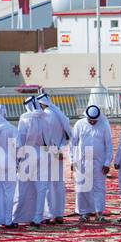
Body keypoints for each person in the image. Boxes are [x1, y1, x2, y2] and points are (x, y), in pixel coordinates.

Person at [69, 105, 112, 220]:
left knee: (99, 187)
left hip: (99, 161)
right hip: (81, 160)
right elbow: (73, 144)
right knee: (82, 186)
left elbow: (109, 144)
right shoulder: (79, 124)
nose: (92, 122)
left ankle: (99, 213)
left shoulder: (104, 124)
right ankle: (84, 213)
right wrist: (72, 160)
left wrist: (107, 162)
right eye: (90, 120)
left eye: (94, 120)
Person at [12, 95, 48, 226]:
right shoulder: (45, 118)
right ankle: (38, 217)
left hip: (28, 155)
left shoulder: (25, 118)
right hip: (44, 154)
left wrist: (17, 160)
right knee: (41, 188)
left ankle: (15, 217)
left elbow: (20, 140)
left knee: (21, 188)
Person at [39, 94, 72, 224]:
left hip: (49, 152)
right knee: (58, 184)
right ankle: (59, 214)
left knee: (47, 185)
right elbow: (66, 135)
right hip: (58, 151)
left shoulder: (46, 115)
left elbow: (47, 137)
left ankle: (49, 214)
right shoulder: (57, 113)